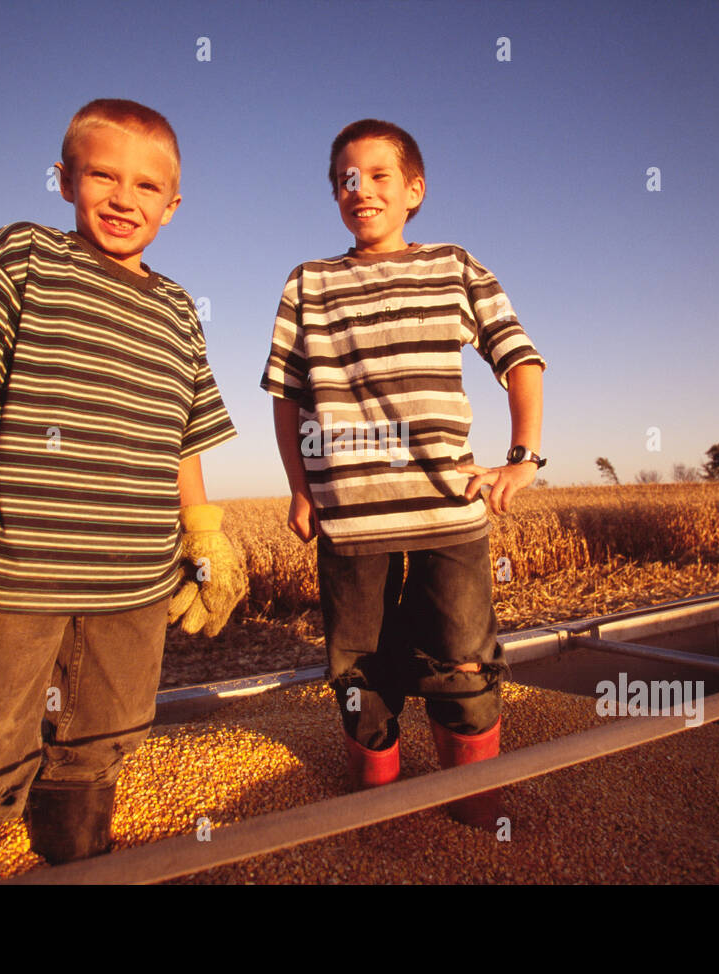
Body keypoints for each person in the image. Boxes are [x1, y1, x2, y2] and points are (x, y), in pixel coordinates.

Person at [0, 99, 244, 883]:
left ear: (173, 206)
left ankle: (77, 862)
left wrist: (203, 532)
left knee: (99, 742)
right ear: (64, 177)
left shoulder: (179, 309)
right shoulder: (25, 257)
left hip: (135, 584)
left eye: (147, 186)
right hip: (18, 576)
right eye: (102, 175)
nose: (122, 198)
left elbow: (185, 436)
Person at [261, 119, 546, 828]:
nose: (362, 191)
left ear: (414, 189)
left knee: (463, 661)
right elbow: (288, 396)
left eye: (379, 175)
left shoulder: (453, 266)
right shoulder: (308, 283)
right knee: (359, 669)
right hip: (349, 518)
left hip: (448, 513)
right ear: (336, 195)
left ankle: (474, 805)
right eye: (346, 180)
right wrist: (300, 487)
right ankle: (379, 806)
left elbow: (519, 357)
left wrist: (523, 456)